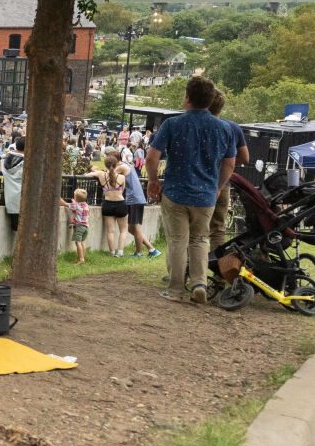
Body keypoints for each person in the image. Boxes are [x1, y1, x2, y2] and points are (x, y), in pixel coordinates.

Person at [145, 75, 236, 305]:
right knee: (199, 240)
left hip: (176, 192)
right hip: (206, 195)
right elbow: (231, 163)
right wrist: (218, 187)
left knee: (178, 241)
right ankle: (199, 284)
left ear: (187, 98)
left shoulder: (173, 124)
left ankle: (176, 289)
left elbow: (152, 156)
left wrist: (153, 180)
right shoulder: (224, 128)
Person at [206, 90, 251, 251]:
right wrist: (225, 161)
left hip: (198, 181)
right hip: (223, 182)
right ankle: (218, 272)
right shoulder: (232, 127)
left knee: (192, 229)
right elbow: (245, 158)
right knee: (218, 229)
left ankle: (186, 269)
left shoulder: (198, 124)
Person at [98, 152, 129, 256]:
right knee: (123, 230)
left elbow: (90, 174)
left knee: (110, 231)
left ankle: (111, 252)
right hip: (120, 203)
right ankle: (120, 252)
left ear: (105, 165)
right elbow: (123, 189)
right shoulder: (121, 177)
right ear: (116, 165)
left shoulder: (101, 175)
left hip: (108, 204)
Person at [60, 187, 90, 265]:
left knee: (78, 243)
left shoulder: (76, 206)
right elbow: (78, 205)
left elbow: (64, 204)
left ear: (76, 197)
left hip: (79, 227)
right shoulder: (86, 205)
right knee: (82, 242)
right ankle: (82, 257)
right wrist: (75, 201)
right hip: (85, 227)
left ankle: (81, 259)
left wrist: (58, 197)